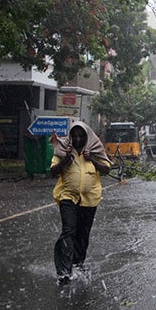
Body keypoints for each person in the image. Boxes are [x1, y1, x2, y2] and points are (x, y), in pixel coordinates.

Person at [50, 121, 111, 285]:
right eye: (75, 136)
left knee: (83, 234)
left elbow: (106, 169)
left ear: (86, 137)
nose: (77, 139)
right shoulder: (63, 149)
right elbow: (52, 171)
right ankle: (64, 270)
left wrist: (93, 160)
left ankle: (77, 263)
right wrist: (66, 160)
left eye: (81, 136)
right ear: (70, 137)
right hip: (68, 196)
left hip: (90, 198)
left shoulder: (95, 149)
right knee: (68, 230)